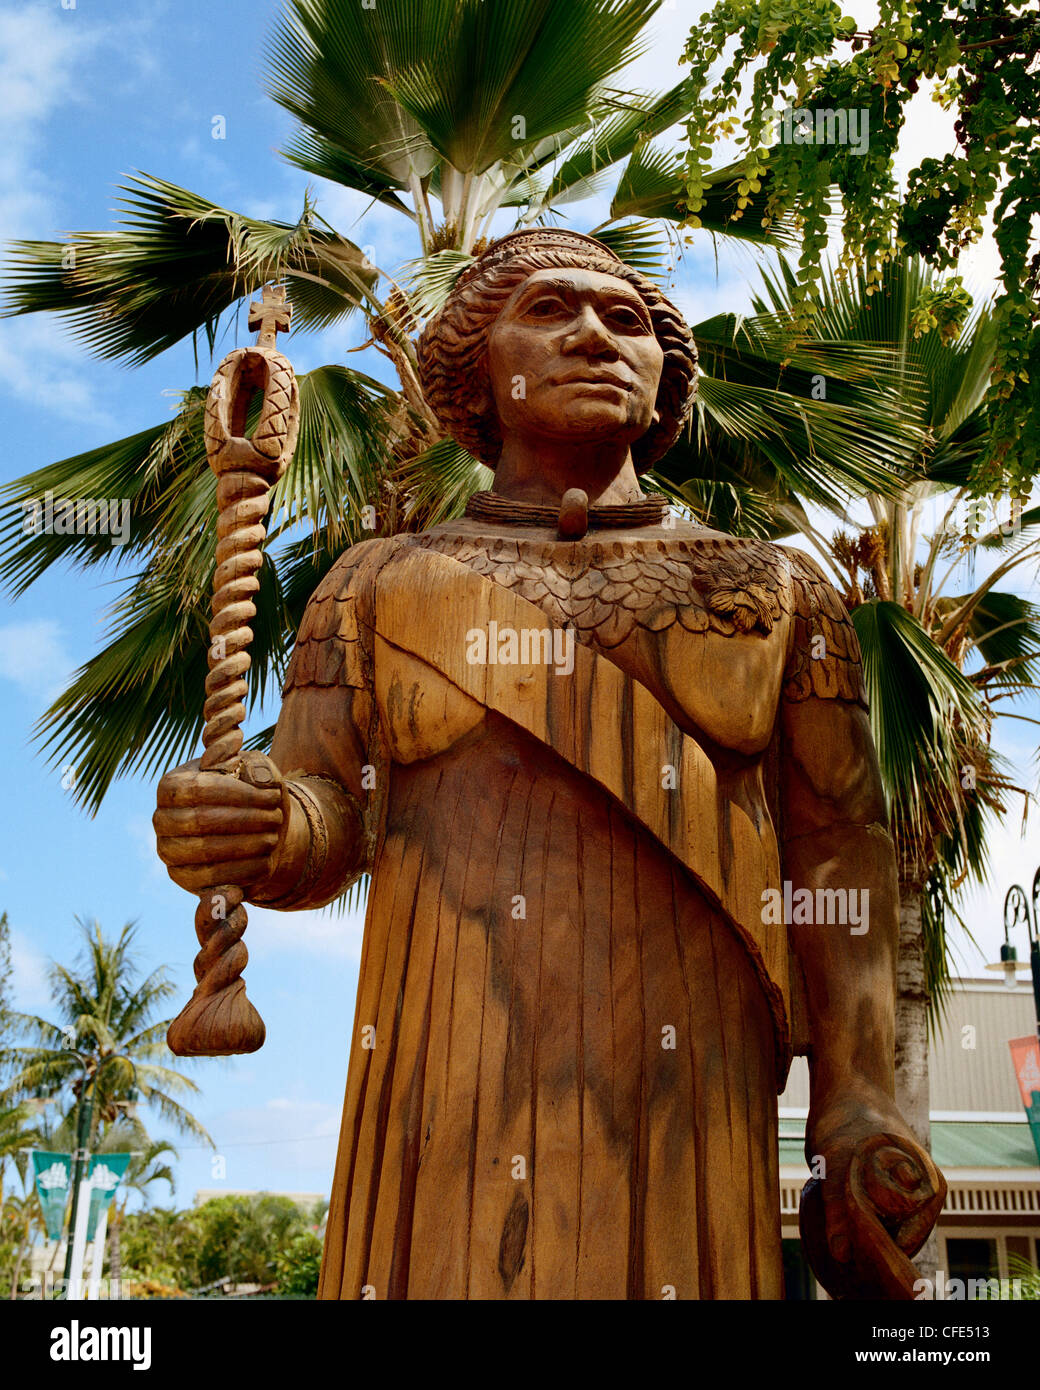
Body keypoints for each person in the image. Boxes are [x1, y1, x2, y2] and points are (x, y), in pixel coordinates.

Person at [154, 228, 943, 1299]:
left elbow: (839, 852)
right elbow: (328, 816)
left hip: (687, 1114)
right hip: (438, 1087)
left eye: (625, 321)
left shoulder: (776, 589)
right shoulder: (375, 581)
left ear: (666, 379)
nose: (592, 335)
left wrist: (858, 1099)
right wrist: (259, 826)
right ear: (478, 366)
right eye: (550, 310)